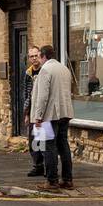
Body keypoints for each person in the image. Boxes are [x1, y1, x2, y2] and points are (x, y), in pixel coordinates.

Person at [30, 44, 75, 191]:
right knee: (63, 145)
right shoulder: (64, 69)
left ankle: (52, 181)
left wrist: (38, 117)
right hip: (65, 112)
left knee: (49, 147)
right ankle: (68, 180)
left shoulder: (45, 70)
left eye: (39, 57)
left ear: (43, 56)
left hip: (49, 115)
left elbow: (42, 97)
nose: (39, 60)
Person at [23, 45, 45, 177]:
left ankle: (46, 166)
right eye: (31, 56)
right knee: (33, 141)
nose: (34, 58)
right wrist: (26, 114)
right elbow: (26, 94)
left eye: (36, 55)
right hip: (32, 111)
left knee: (43, 139)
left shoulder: (45, 71)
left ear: (40, 55)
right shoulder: (28, 73)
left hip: (43, 111)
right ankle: (37, 166)